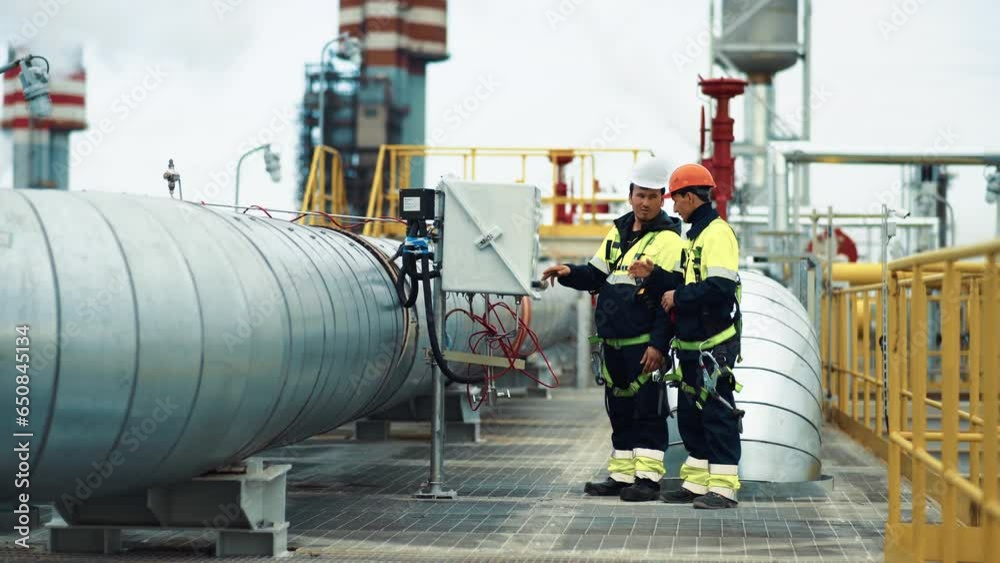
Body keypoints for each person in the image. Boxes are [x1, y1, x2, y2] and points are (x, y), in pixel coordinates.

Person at [541, 157, 684, 502]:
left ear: (662, 198)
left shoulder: (669, 241)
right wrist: (568, 272)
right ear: (630, 195)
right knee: (619, 411)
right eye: (640, 195)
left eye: (652, 196)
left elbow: (669, 300)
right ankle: (621, 476)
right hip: (614, 344)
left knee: (648, 412)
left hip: (644, 344)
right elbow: (596, 275)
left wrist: (658, 346)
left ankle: (647, 481)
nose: (645, 203)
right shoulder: (616, 233)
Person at [645, 163, 743, 510]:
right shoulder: (695, 236)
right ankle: (698, 484)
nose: (673, 207)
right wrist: (657, 279)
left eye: (676, 200)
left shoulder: (717, 234)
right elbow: (683, 284)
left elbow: (720, 287)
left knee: (717, 414)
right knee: (691, 415)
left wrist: (678, 297)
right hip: (691, 344)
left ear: (690, 197)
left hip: (711, 345)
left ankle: (724, 490)